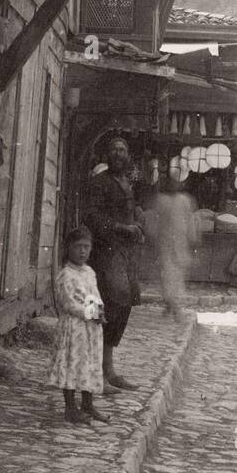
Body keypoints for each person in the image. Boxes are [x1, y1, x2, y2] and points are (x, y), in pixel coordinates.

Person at [82, 136, 144, 392]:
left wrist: (138, 222)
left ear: (128, 155)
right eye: (114, 150)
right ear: (107, 155)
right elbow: (92, 216)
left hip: (125, 254)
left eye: (123, 150)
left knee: (125, 302)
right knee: (105, 305)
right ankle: (93, 373)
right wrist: (120, 227)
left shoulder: (126, 183)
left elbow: (130, 213)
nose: (119, 153)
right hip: (105, 252)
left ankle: (109, 369)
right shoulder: (99, 183)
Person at [47, 227, 109, 425]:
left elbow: (96, 295)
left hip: (91, 329)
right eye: (78, 247)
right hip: (74, 328)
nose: (83, 251)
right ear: (69, 248)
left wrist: (100, 313)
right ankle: (70, 408)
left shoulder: (89, 272)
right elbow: (69, 304)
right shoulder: (66, 275)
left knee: (89, 364)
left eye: (86, 247)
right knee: (72, 364)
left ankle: (88, 404)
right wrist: (92, 314)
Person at [153, 173, 198, 315]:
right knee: (166, 274)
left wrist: (193, 238)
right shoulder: (161, 200)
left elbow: (190, 220)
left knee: (178, 275)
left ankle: (175, 303)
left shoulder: (185, 200)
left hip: (181, 242)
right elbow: (156, 220)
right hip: (165, 243)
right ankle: (170, 303)